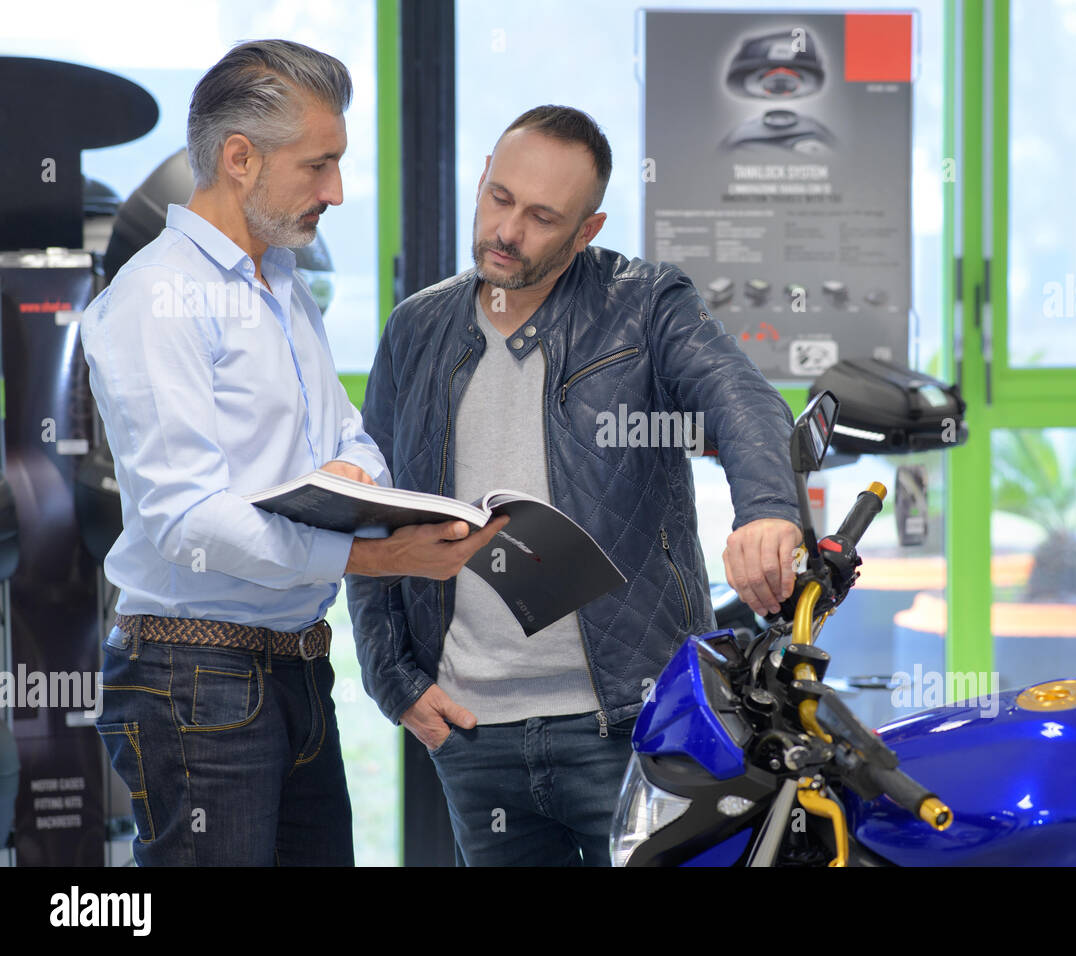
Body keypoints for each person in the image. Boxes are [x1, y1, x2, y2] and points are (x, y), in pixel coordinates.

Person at [82, 39, 503, 866]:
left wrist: (353, 479)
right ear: (240, 159)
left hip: (298, 667)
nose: (336, 192)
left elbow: (352, 438)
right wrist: (375, 557)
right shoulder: (157, 299)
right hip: (193, 676)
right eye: (319, 165)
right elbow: (187, 521)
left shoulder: (283, 282)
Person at [347, 105, 802, 866]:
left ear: (586, 230)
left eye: (541, 217)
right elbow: (374, 509)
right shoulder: (416, 329)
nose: (506, 231)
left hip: (630, 721)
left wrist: (766, 512)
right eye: (499, 197)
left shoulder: (645, 304)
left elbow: (743, 400)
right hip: (473, 731)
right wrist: (393, 681)